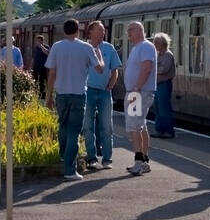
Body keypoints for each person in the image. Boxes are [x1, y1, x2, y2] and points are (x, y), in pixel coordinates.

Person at [45, 19, 105, 180]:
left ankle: (63, 156)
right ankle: (70, 170)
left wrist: (48, 96)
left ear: (64, 31)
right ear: (78, 31)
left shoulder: (57, 47)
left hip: (61, 94)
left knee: (63, 127)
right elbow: (100, 70)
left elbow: (52, 73)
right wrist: (99, 56)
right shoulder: (86, 48)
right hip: (78, 94)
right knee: (74, 131)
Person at [82, 21, 122, 170]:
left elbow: (115, 70)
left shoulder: (109, 48)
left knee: (106, 126)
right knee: (88, 126)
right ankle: (92, 158)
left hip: (104, 92)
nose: (102, 32)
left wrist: (111, 85)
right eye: (99, 30)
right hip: (88, 91)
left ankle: (107, 159)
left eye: (103, 30)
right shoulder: (84, 48)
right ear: (90, 31)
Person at [123, 21, 158, 176]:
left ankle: (139, 161)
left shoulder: (145, 46)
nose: (128, 34)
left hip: (138, 92)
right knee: (140, 125)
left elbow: (146, 68)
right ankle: (144, 161)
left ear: (139, 30)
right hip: (136, 92)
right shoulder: (138, 47)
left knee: (134, 126)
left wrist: (136, 88)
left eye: (130, 30)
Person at [152, 33, 177, 138]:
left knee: (164, 109)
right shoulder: (157, 55)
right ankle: (160, 130)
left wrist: (153, 68)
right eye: (154, 42)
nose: (155, 44)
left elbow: (163, 69)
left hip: (164, 84)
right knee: (157, 108)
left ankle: (168, 131)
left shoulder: (167, 55)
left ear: (163, 43)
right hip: (156, 85)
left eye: (157, 42)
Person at [31, 35, 50, 100]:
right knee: (35, 81)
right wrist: (31, 66)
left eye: (39, 41)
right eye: (37, 41)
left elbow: (47, 53)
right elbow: (33, 57)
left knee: (42, 81)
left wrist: (41, 46)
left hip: (43, 67)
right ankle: (36, 93)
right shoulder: (35, 48)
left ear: (42, 41)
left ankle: (43, 95)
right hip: (36, 67)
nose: (38, 42)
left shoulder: (46, 46)